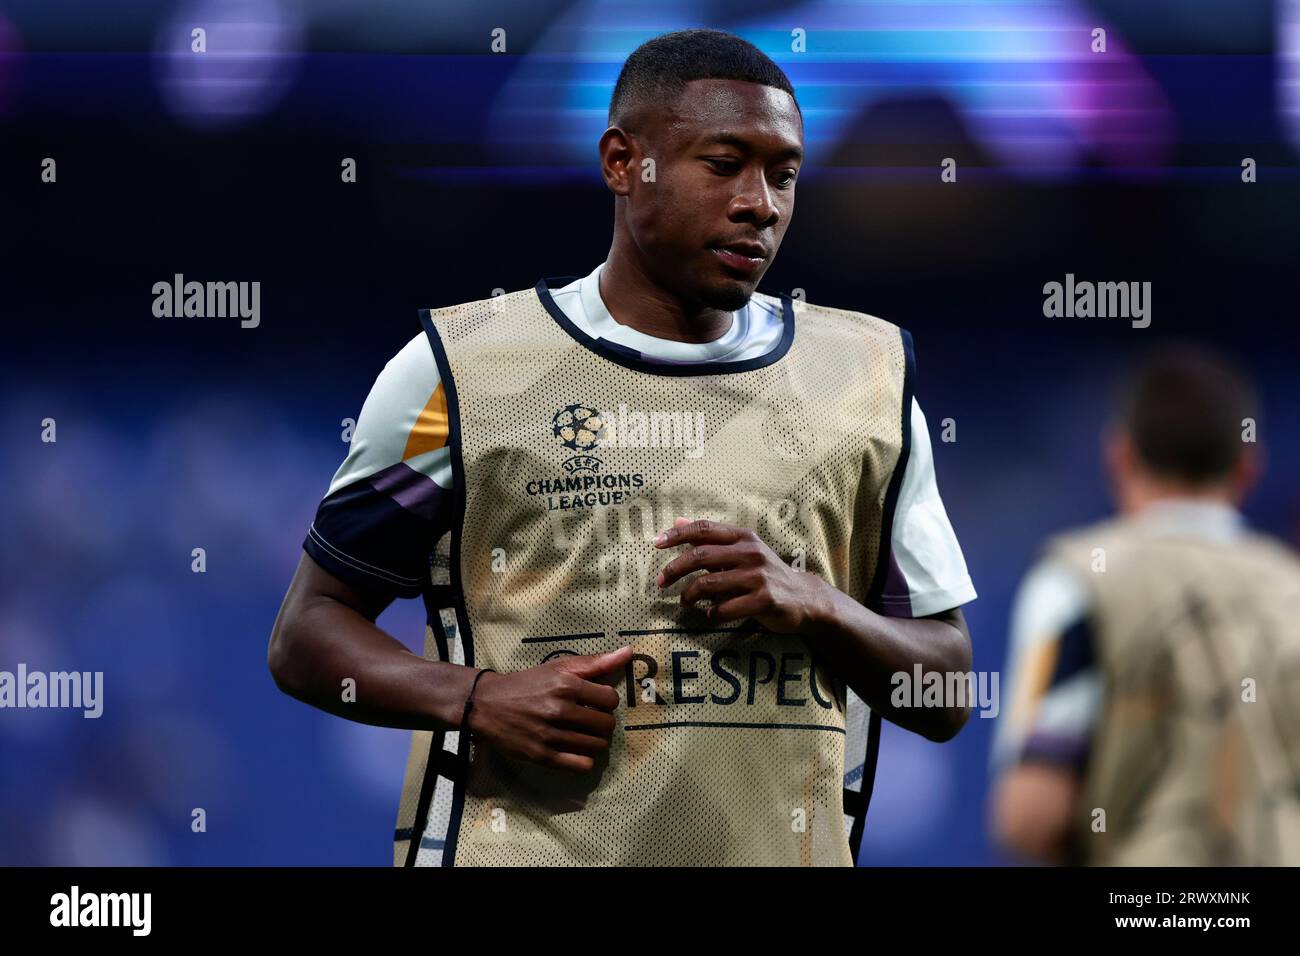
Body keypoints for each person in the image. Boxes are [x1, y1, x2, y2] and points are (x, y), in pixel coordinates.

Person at [269, 28, 976, 866]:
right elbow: (307, 634)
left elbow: (947, 689)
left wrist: (816, 602)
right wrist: (477, 699)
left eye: (783, 174)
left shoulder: (867, 381)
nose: (761, 203)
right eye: (724, 165)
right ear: (621, 162)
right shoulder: (459, 374)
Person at [990, 345, 1300, 865]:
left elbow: (1030, 812)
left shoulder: (1076, 582)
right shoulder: (1291, 587)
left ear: (1120, 454)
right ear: (1248, 467)